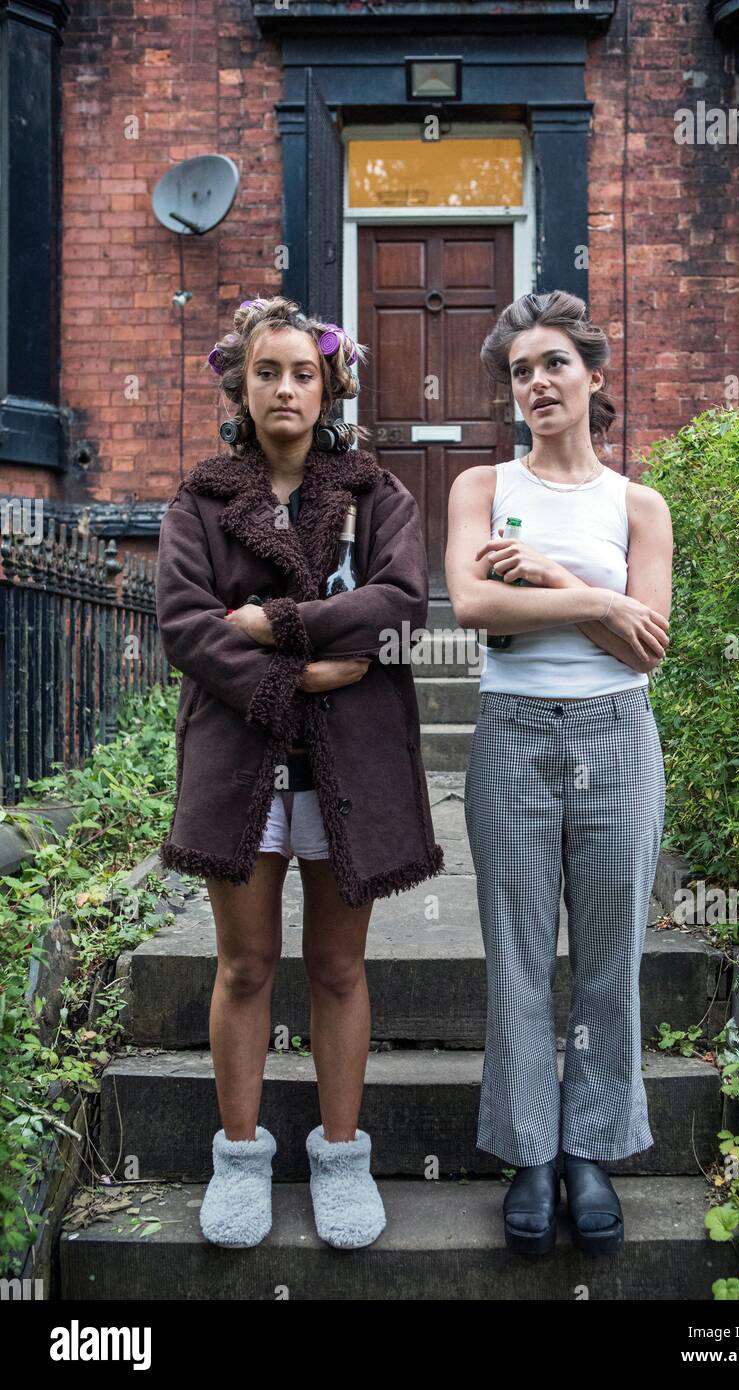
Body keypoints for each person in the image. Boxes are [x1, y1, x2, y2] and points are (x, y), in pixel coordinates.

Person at [155, 296, 444, 1251]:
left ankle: (341, 1155)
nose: (285, 387)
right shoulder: (200, 500)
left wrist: (273, 623)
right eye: (267, 371)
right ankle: (238, 1158)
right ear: (240, 384)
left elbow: (401, 604)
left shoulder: (378, 496)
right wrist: (302, 673)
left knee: (337, 965)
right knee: (243, 966)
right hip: (240, 758)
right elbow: (187, 626)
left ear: (330, 386)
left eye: (303, 372)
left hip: (348, 765)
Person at [445, 289, 672, 1256]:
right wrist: (590, 600)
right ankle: (531, 1151)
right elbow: (469, 607)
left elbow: (644, 647)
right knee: (522, 957)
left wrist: (538, 577)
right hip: (512, 741)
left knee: (610, 959)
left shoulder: (639, 504)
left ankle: (593, 1148)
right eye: (521, 371)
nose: (537, 382)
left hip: (618, 737)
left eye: (554, 364)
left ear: (593, 376)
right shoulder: (480, 488)